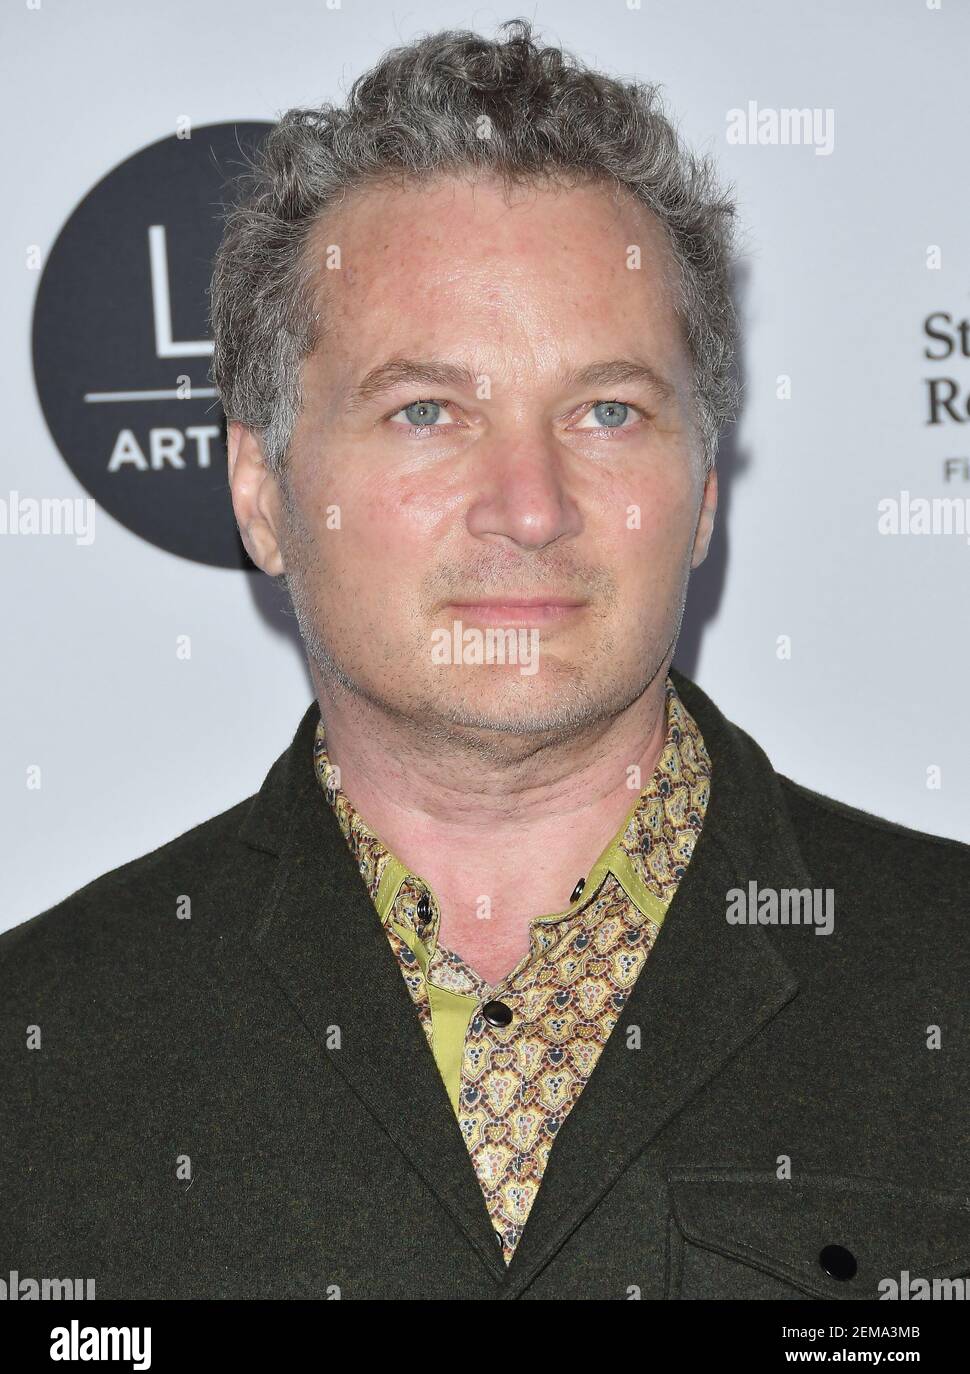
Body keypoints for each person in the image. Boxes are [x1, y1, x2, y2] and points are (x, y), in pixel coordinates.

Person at [3, 18, 968, 1301]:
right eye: (425, 412)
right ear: (257, 487)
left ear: (702, 490)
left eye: (607, 410)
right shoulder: (44, 1049)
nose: (529, 503)